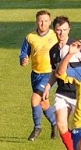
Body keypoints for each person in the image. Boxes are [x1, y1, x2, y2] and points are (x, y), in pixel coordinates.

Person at [19, 10, 61, 140]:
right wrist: (23, 59)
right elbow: (23, 53)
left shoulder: (55, 36)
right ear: (36, 22)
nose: (43, 23)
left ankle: (37, 127)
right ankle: (55, 124)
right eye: (40, 21)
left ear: (50, 22)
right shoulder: (30, 37)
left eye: (46, 21)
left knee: (35, 100)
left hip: (49, 74)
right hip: (35, 74)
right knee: (44, 104)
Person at [49, 17, 81, 150]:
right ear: (54, 31)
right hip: (62, 92)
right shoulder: (53, 51)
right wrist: (47, 86)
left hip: (78, 93)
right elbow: (55, 72)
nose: (61, 33)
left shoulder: (76, 48)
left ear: (69, 30)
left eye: (64, 30)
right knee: (61, 123)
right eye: (58, 30)